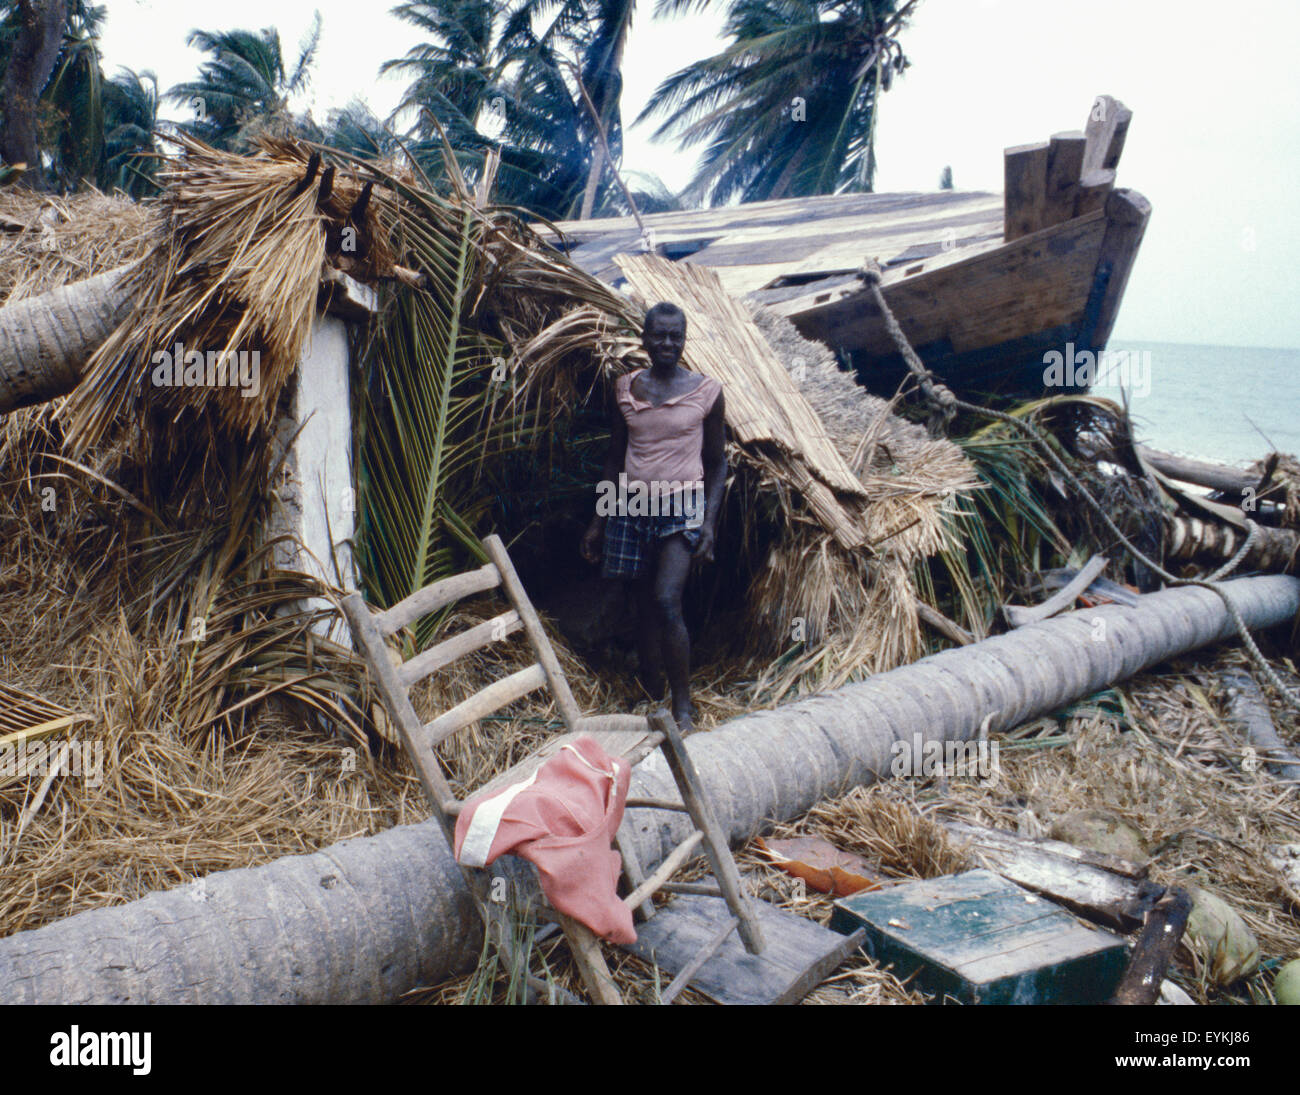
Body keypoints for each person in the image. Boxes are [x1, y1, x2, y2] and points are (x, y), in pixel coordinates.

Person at [580, 302, 726, 734]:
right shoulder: (625, 388)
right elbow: (615, 457)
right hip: (632, 504)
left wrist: (710, 524)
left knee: (666, 600)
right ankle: (651, 686)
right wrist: (599, 521)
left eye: (675, 336)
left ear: (684, 340)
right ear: (644, 338)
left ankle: (683, 706)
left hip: (682, 505)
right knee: (641, 601)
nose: (667, 344)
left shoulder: (707, 392)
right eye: (659, 335)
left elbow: (717, 463)